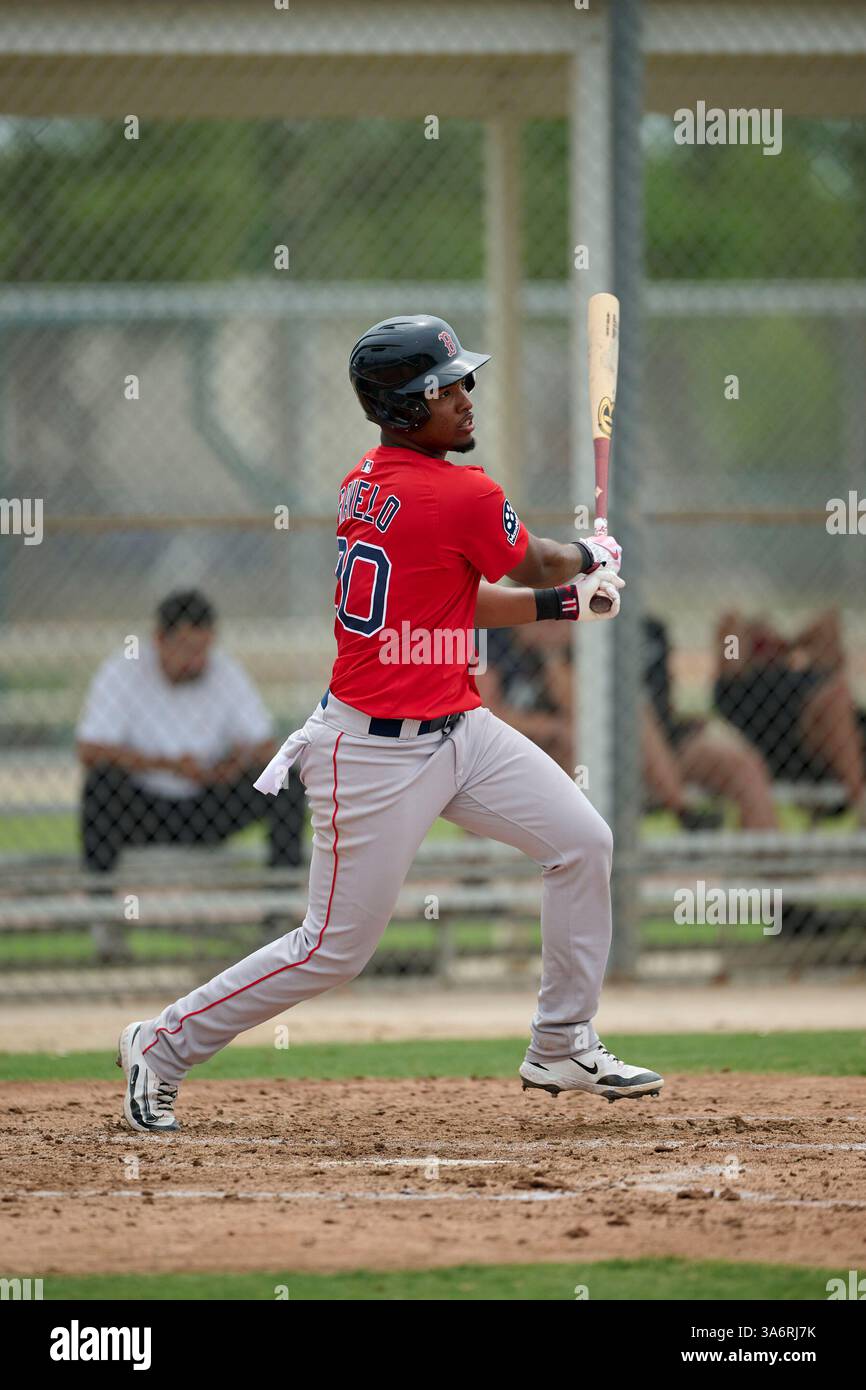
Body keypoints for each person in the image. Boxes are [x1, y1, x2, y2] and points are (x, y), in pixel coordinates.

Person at [116, 314, 662, 1133]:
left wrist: (563, 602)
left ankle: (561, 1040)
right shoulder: (458, 492)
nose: (467, 398)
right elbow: (536, 560)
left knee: (582, 842)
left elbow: (449, 596)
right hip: (371, 751)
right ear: (407, 408)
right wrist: (590, 555)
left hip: (459, 730)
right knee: (332, 948)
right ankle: (160, 1043)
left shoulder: (369, 479)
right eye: (446, 390)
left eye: (463, 382)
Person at [77, 589, 304, 961]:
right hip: (145, 807)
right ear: (159, 641)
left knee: (286, 781)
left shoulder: (225, 672)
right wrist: (167, 765)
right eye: (185, 648)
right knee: (101, 784)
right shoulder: (123, 670)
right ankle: (104, 920)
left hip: (209, 803)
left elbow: (265, 745)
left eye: (203, 649)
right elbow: (90, 750)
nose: (196, 660)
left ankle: (276, 916)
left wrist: (230, 765)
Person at [479, 617, 779, 830]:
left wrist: (562, 654)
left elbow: (594, 711)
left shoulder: (603, 635)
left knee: (740, 765)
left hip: (641, 752)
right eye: (544, 612)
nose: (553, 622)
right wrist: (549, 661)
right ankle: (678, 810)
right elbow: (484, 713)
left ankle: (781, 900)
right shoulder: (498, 640)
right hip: (559, 753)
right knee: (576, 744)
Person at [713, 609, 866, 822]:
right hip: (797, 751)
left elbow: (829, 622)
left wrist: (787, 644)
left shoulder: (800, 672)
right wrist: (751, 634)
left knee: (835, 692)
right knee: (835, 696)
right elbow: (730, 627)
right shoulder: (737, 684)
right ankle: (861, 801)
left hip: (847, 735)